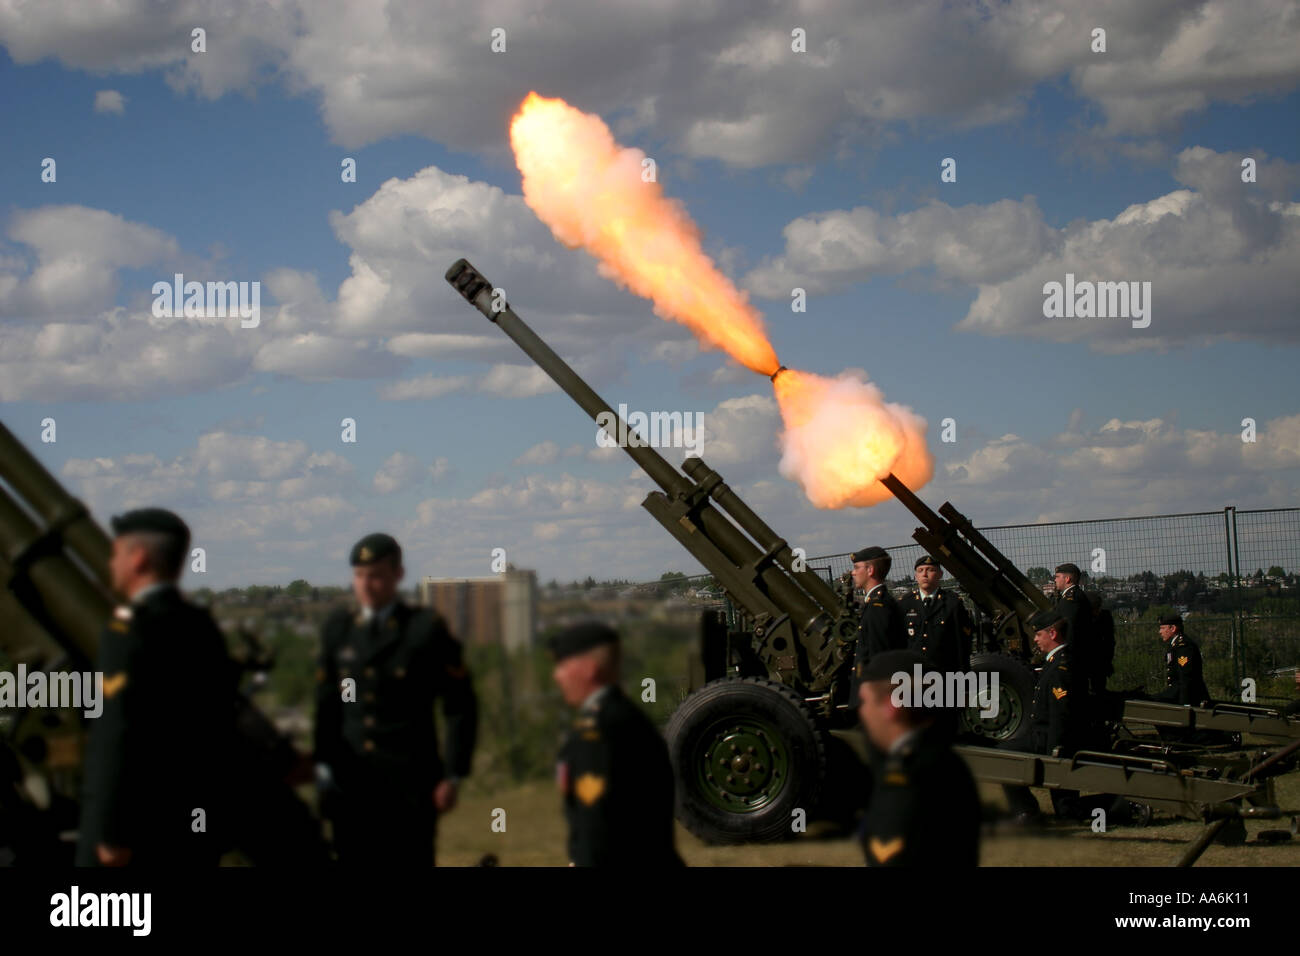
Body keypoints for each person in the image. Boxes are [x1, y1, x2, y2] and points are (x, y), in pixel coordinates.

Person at [77, 508, 235, 866]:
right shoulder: (201, 627)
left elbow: (115, 734)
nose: (111, 563)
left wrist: (112, 832)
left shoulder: (128, 632)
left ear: (139, 558)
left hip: (135, 834)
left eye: (116, 553)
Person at [313, 533, 477, 866]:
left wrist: (453, 774)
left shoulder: (423, 630)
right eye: (359, 576)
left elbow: (459, 705)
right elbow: (328, 708)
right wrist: (324, 770)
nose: (366, 585)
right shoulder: (339, 629)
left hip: (410, 786)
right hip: (351, 784)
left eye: (375, 576)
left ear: (397, 576)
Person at [550, 621, 682, 867]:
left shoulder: (598, 731)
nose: (556, 676)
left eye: (563, 665)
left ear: (589, 669)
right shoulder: (628, 718)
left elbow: (597, 826)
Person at [856, 649, 981, 866]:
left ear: (891, 707)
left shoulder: (906, 777)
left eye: (865, 702)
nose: (862, 712)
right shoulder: (947, 762)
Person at [1002, 611, 1088, 824]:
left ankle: (1026, 812)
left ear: (1052, 633)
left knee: (1003, 756)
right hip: (1042, 734)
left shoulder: (1061, 667)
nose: (1035, 639)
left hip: (1049, 739)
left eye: (1039, 634)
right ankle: (1031, 811)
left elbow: (1061, 714)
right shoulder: (1056, 662)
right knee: (1065, 808)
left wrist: (1055, 750)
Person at [897, 554, 974, 673]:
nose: (924, 574)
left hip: (944, 673)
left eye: (930, 570)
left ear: (940, 574)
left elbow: (962, 643)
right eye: (920, 571)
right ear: (916, 576)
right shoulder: (906, 604)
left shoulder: (952, 603)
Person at [849, 547, 905, 700]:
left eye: (856, 567)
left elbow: (878, 657)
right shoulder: (878, 603)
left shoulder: (877, 607)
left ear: (870, 570)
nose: (853, 572)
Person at [1153, 614, 1210, 707]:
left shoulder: (1184, 647)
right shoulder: (1175, 645)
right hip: (1176, 693)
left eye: (1163, 628)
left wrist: (1185, 703)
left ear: (1173, 628)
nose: (1160, 632)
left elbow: (1186, 676)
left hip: (1187, 697)